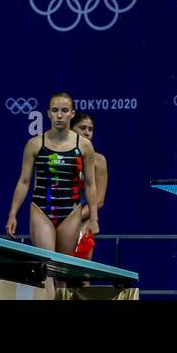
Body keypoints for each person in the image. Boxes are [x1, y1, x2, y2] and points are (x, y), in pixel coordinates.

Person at [6, 93, 100, 295]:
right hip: (41, 209)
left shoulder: (84, 146)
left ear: (71, 114)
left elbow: (91, 185)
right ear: (48, 113)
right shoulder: (34, 144)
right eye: (55, 110)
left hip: (71, 212)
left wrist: (94, 218)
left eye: (64, 110)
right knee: (47, 267)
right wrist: (13, 213)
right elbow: (24, 181)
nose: (59, 115)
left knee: (61, 273)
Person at [71, 111, 107, 260]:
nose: (87, 133)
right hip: (57, 221)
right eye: (82, 128)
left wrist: (74, 219)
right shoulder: (61, 158)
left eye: (90, 129)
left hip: (84, 224)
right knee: (56, 276)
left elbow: (98, 200)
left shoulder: (99, 161)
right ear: (71, 129)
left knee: (82, 277)